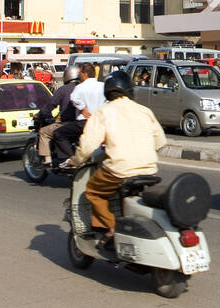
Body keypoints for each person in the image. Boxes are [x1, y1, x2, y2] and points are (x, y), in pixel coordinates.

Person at [74, 71, 165, 248]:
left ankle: (112, 227)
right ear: (130, 90)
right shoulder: (144, 111)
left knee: (93, 192)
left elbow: (87, 146)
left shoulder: (103, 113)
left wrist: (76, 160)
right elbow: (161, 142)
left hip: (119, 170)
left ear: (108, 93)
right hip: (149, 170)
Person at [55, 63, 101, 161]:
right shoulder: (102, 86)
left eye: (80, 73)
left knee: (58, 133)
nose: (79, 75)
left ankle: (69, 159)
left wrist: (82, 108)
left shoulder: (80, 87)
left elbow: (74, 98)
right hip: (100, 122)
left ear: (85, 74)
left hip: (84, 123)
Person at [39, 65, 83, 162]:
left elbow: (50, 105)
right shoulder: (82, 87)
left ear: (67, 75)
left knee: (43, 132)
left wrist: (43, 113)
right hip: (83, 123)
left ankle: (48, 159)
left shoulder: (63, 89)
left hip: (67, 124)